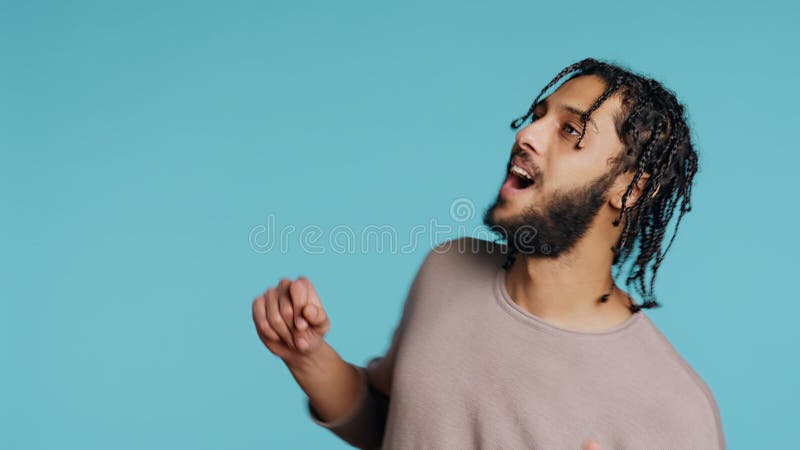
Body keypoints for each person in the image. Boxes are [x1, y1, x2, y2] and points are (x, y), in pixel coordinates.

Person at [251, 57, 725, 449]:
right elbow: (395, 424)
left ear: (629, 187)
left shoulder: (675, 413)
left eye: (570, 131)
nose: (528, 135)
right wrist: (308, 356)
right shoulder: (447, 268)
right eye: (539, 115)